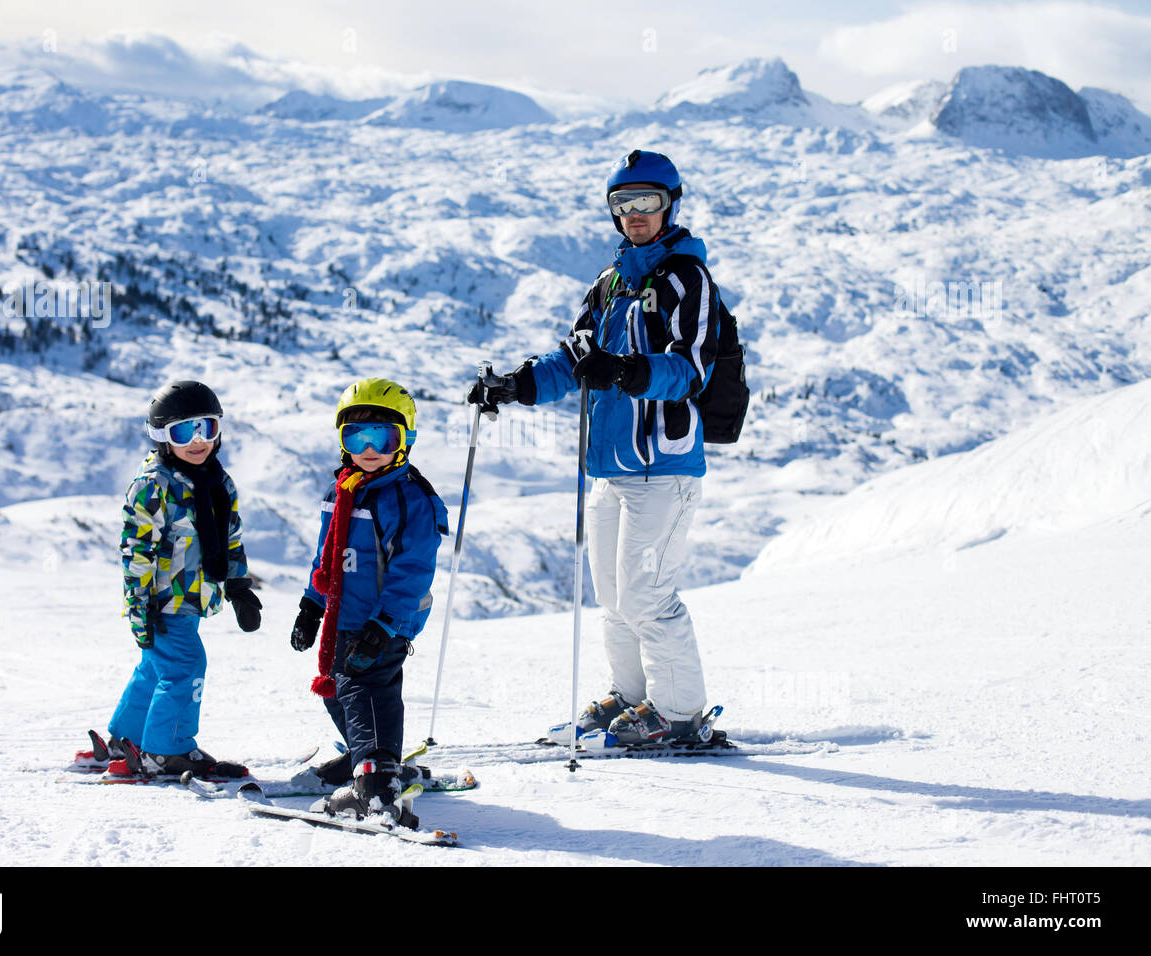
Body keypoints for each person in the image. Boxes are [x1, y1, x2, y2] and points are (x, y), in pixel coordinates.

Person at [467, 149, 720, 745]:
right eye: (623, 203)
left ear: (670, 204)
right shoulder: (608, 284)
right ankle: (632, 699)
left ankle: (680, 716)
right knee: (612, 596)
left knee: (646, 593)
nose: (635, 214)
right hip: (608, 466)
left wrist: (627, 371)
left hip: (664, 467)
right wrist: (516, 384)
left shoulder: (689, 277)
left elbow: (691, 369)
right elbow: (575, 359)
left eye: (647, 202)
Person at [290, 378, 448, 826]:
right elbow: (327, 556)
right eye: (355, 436)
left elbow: (413, 570)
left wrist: (384, 626)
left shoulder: (410, 497)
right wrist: (311, 605)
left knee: (368, 691)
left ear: (406, 438)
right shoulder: (341, 489)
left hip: (384, 621)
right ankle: (370, 758)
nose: (368, 447)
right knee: (340, 693)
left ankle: (376, 791)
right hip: (344, 616)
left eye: (382, 435)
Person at [104, 380, 261, 776]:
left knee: (156, 669)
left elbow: (231, 539)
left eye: (205, 428)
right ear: (162, 437)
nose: (197, 441)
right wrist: (140, 607)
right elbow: (136, 553)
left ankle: (128, 740)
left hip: (193, 599)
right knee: (185, 666)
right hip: (162, 603)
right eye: (182, 431)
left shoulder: (219, 484)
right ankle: (167, 749)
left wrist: (239, 587)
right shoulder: (153, 486)